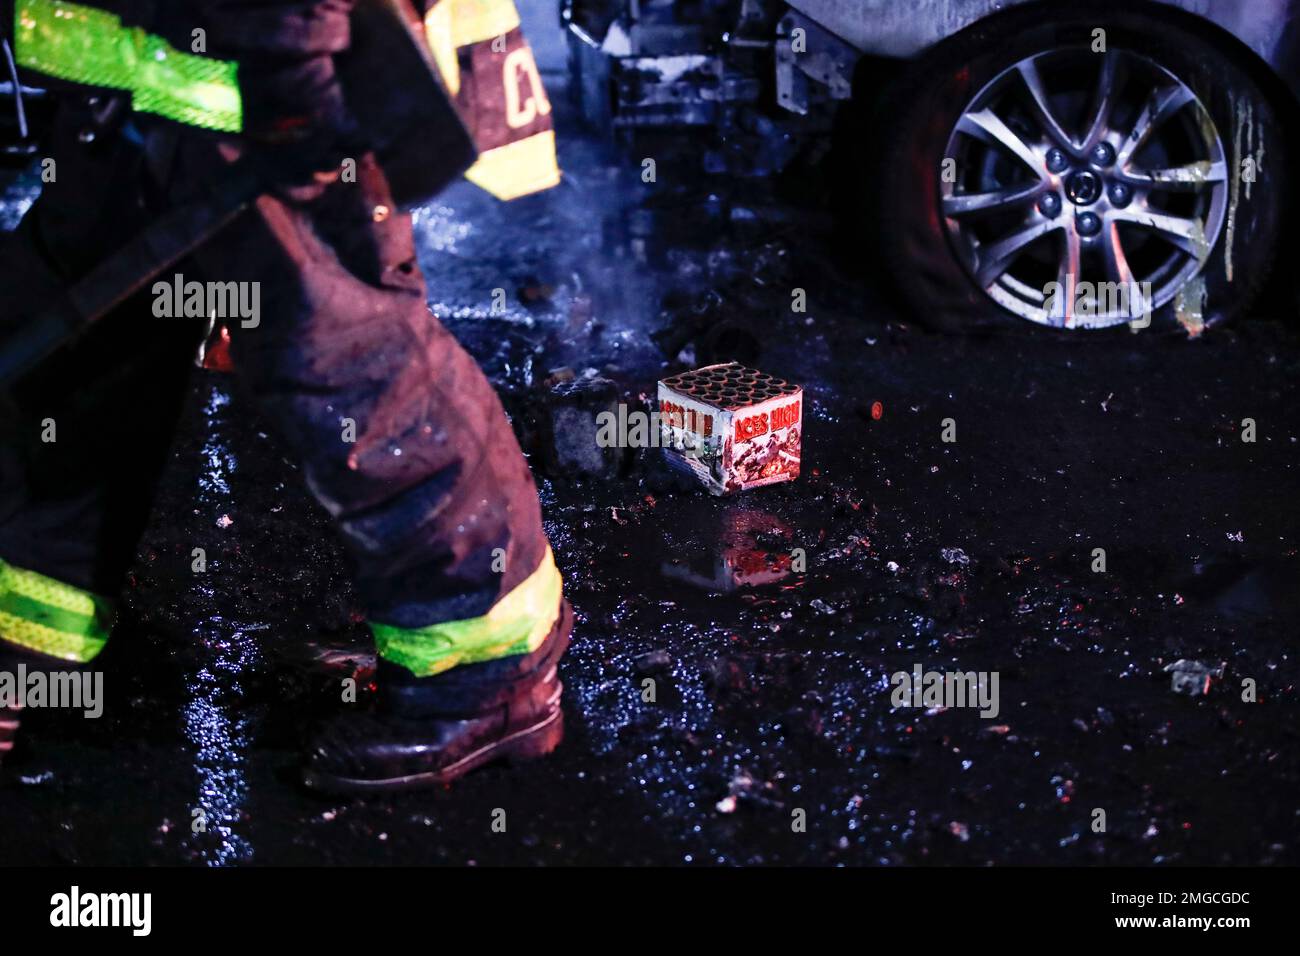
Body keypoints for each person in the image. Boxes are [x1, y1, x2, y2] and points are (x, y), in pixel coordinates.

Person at [0, 0, 570, 792]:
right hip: (149, 68)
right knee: (81, 352)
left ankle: (488, 680)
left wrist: (297, 66)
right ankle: (25, 640)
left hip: (265, 81)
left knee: (355, 381)